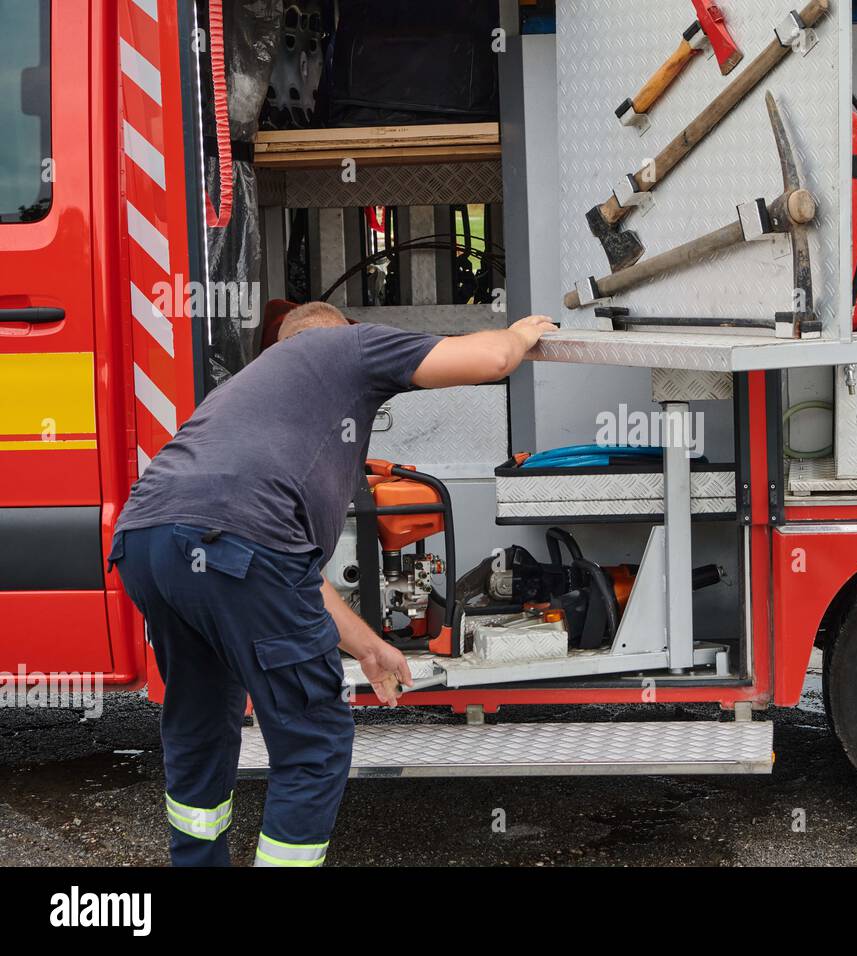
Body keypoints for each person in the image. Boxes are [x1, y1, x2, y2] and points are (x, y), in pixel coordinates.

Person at [109, 303, 558, 866]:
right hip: (235, 547)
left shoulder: (250, 389)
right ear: (349, 331)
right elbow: (491, 359)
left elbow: (282, 567)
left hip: (147, 543)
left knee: (200, 720)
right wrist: (519, 333)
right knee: (313, 741)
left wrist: (368, 647)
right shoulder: (348, 347)